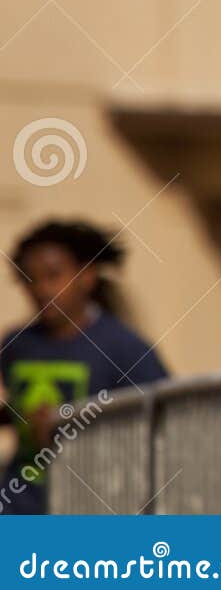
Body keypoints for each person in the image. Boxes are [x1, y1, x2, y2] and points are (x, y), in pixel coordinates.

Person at [0, 219, 169, 515]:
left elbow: (163, 420)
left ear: (86, 276)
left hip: (93, 508)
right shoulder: (16, 344)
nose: (41, 288)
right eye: (31, 278)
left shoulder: (125, 348)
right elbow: (14, 411)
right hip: (21, 505)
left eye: (53, 275)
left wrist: (66, 426)